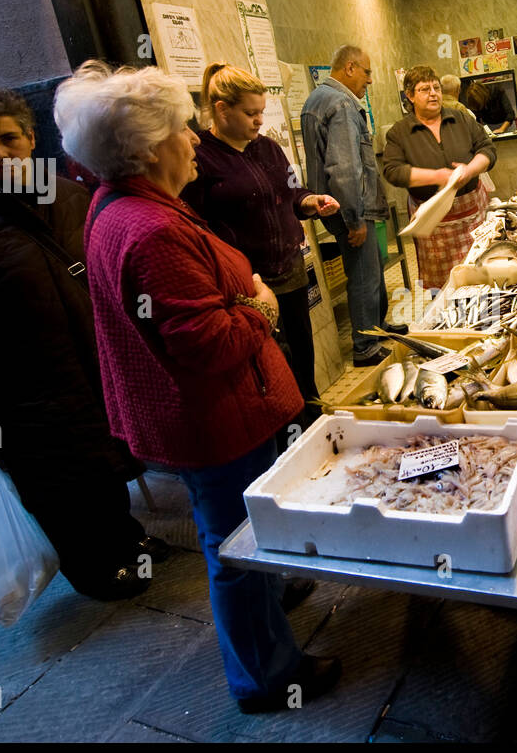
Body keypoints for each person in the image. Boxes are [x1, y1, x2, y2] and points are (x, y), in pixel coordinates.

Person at [53, 61, 341, 712]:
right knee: (231, 545)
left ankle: (275, 591)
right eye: (186, 129)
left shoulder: (119, 204)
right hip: (212, 419)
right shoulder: (150, 229)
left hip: (204, 414)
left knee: (242, 530)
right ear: (153, 147)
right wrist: (261, 306)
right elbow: (204, 342)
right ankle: (268, 678)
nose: (194, 142)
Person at [0, 89, 165, 602]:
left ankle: (127, 542)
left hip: (91, 371)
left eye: (8, 138)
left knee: (105, 470)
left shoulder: (70, 197)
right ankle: (97, 572)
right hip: (24, 396)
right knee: (61, 492)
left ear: (30, 139)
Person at [182, 62, 339, 425]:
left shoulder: (268, 148)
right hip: (248, 285)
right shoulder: (201, 158)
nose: (258, 121)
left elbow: (291, 193)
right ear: (222, 110)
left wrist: (310, 202)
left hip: (290, 271)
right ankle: (288, 435)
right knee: (271, 366)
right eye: (250, 113)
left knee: (301, 356)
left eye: (261, 113)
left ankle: (315, 421)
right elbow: (198, 225)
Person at [300, 44, 405, 368]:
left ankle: (376, 326)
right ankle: (366, 346)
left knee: (371, 270)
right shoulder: (342, 103)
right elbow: (344, 169)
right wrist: (354, 219)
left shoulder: (316, 99)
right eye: (367, 72)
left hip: (340, 207)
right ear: (349, 68)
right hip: (350, 209)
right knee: (363, 276)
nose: (370, 80)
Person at [382, 66, 497, 290]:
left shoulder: (461, 119)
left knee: (480, 278)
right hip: (433, 226)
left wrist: (470, 170)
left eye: (436, 88)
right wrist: (436, 176)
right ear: (410, 95)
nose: (433, 93)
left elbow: (487, 149)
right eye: (425, 89)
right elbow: (393, 171)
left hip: (472, 215)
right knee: (442, 290)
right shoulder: (400, 132)